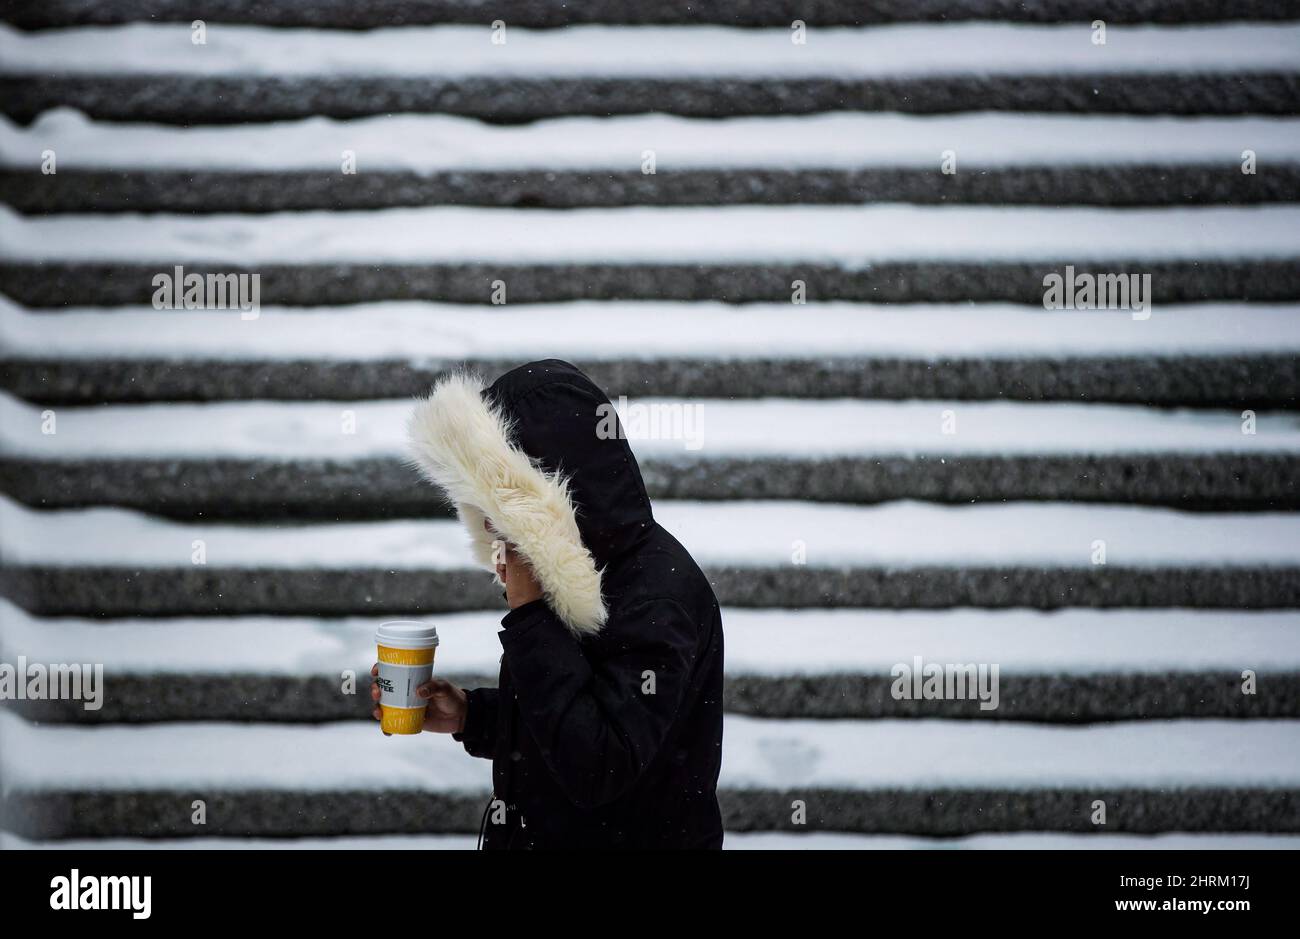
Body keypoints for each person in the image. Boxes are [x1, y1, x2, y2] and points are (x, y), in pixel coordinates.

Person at [372, 359, 724, 849]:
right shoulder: (584, 570)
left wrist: (532, 618)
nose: (491, 525)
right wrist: (472, 716)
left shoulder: (656, 599)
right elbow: (570, 719)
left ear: (550, 493)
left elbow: (599, 765)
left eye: (500, 501)